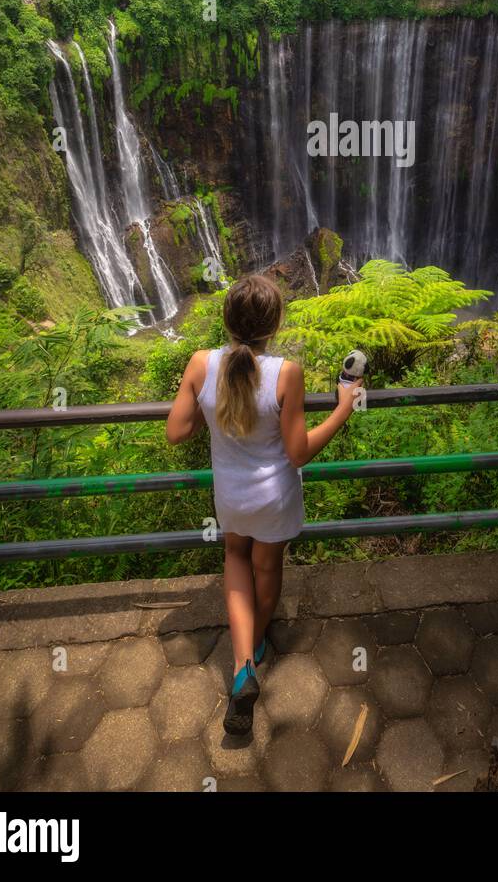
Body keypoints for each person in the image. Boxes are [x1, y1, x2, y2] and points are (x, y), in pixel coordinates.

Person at [165, 273, 362, 735]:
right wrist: (343, 407)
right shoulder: (286, 373)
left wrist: (211, 414)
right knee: (266, 568)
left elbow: (176, 432)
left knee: (234, 557)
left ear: (227, 320)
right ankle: (256, 644)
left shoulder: (200, 363)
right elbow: (298, 452)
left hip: (231, 495)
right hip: (274, 496)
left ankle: (241, 668)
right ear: (274, 324)